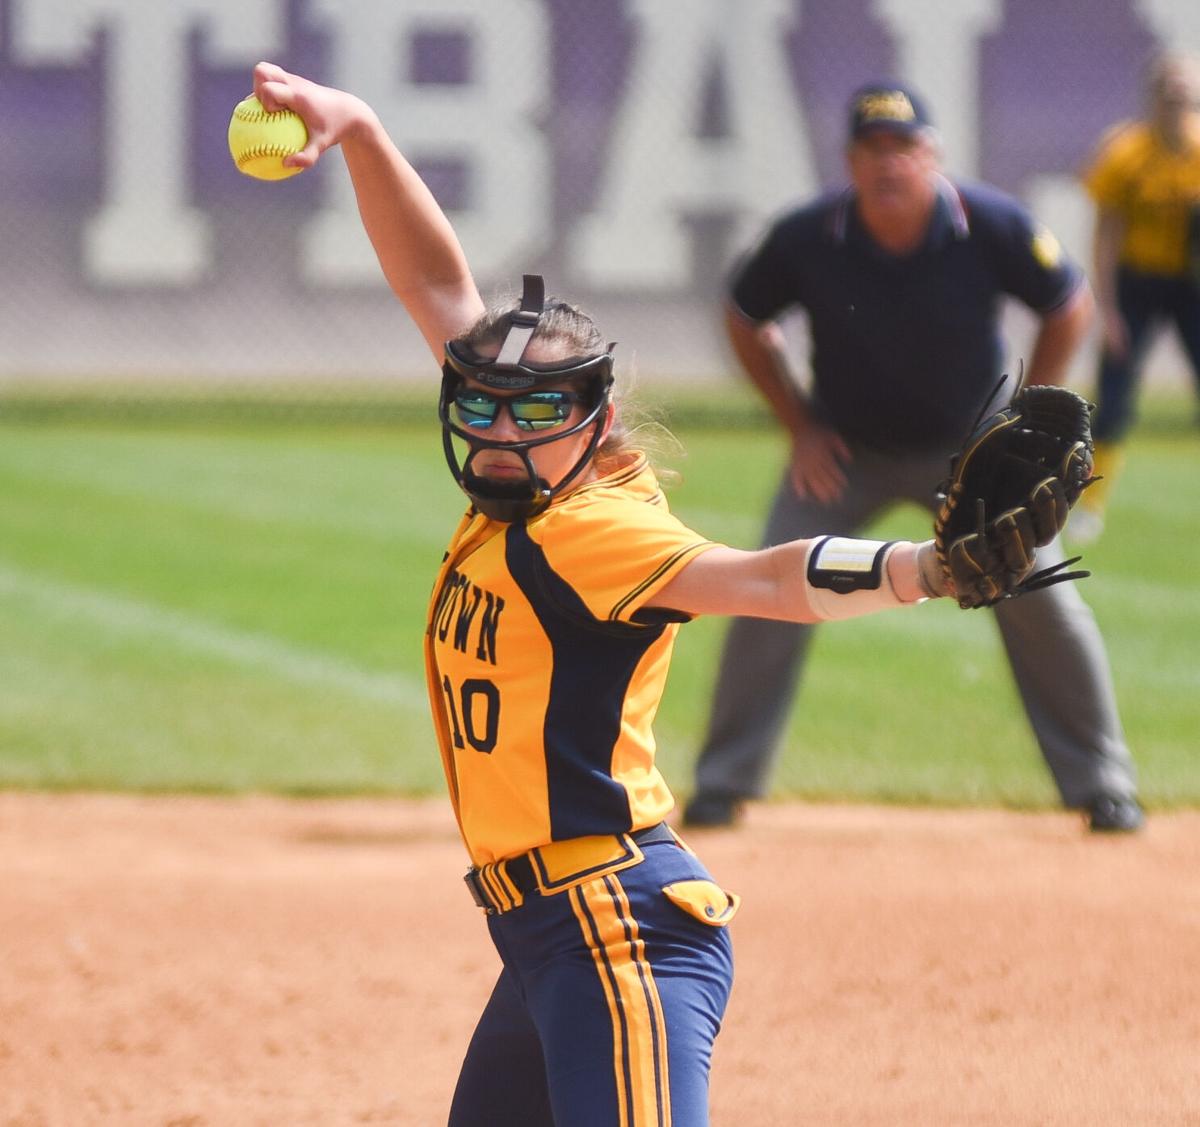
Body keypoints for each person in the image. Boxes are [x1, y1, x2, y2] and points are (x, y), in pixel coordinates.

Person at [246, 62, 1011, 1127]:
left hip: (620, 936)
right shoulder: (523, 493)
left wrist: (927, 568)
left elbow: (764, 577)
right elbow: (435, 286)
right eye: (484, 406)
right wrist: (365, 132)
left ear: (594, 423)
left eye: (535, 413)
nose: (501, 432)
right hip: (544, 935)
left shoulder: (593, 529)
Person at [682, 81, 1144, 836]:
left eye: (904, 146)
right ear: (850, 162)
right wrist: (799, 424)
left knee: (1042, 597)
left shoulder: (987, 224)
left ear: (932, 156)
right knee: (767, 586)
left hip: (972, 460)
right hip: (846, 454)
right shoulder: (808, 235)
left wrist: (1024, 418)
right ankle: (722, 780)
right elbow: (743, 314)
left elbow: (1068, 303)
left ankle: (1103, 784)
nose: (888, 162)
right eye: (873, 148)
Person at [1072, 50, 1200, 543]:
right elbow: (1106, 232)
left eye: (1187, 97)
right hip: (1137, 280)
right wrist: (1108, 309)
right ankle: (1091, 503)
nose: (1178, 106)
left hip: (1190, 282)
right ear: (1153, 98)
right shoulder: (1126, 152)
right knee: (1115, 397)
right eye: (1170, 95)